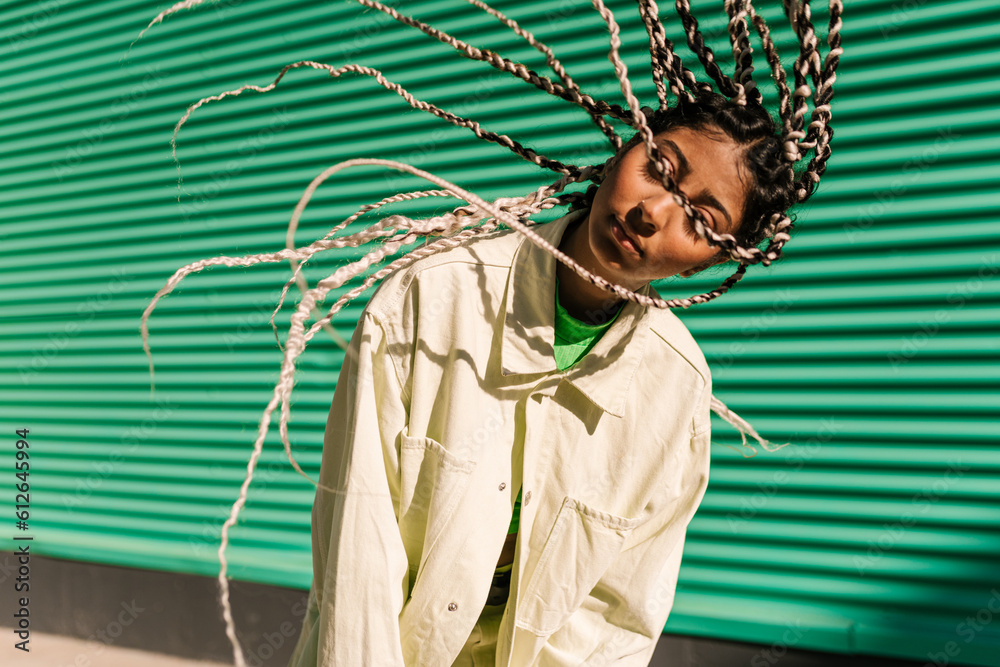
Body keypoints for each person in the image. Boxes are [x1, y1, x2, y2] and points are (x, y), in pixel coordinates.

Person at [136, 1, 842, 665]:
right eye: (660, 167)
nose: (656, 211)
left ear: (719, 258)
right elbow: (360, 552)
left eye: (703, 219)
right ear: (629, 140)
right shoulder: (431, 299)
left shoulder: (674, 390)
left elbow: (619, 614)